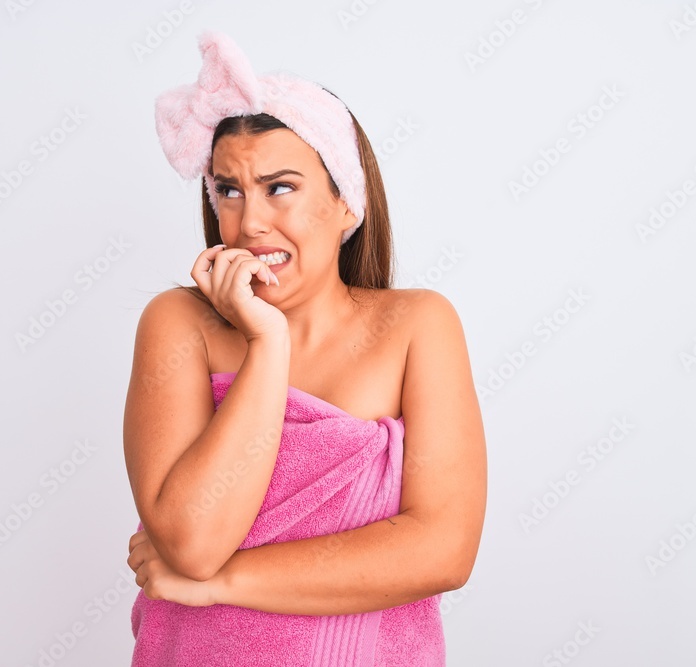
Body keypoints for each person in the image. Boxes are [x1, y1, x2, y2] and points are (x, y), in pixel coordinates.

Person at [123, 30, 486, 666]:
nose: (250, 222)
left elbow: (441, 551)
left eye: (280, 187)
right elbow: (192, 544)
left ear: (346, 202)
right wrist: (267, 343)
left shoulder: (417, 327)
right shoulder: (178, 325)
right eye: (229, 190)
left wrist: (223, 584)